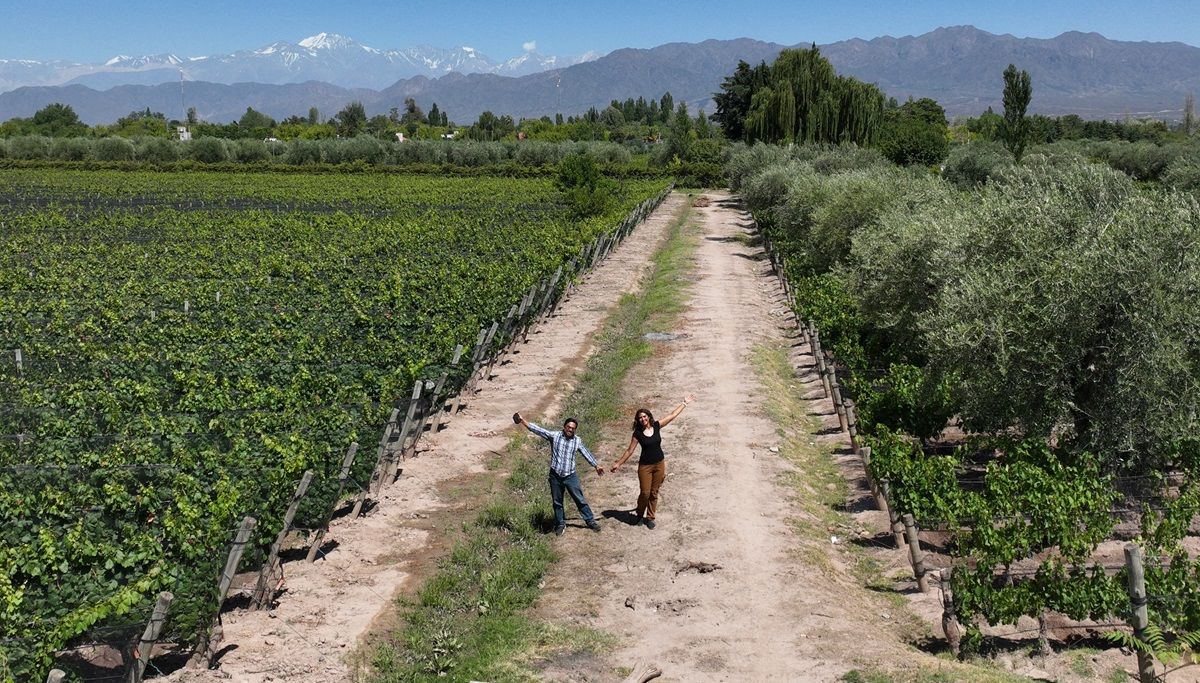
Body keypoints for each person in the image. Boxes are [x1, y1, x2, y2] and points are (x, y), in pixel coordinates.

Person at [609, 394, 694, 529]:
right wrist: (618, 463)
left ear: (648, 416)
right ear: (638, 420)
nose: (643, 419)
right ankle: (639, 514)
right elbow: (629, 451)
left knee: (654, 492)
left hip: (659, 464)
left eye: (644, 416)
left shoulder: (656, 426)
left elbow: (672, 415)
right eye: (640, 417)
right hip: (645, 466)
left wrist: (684, 403)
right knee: (645, 493)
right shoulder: (637, 433)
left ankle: (650, 517)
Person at [513, 412, 604, 536]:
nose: (570, 430)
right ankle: (560, 523)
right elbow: (538, 430)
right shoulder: (555, 436)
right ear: (564, 427)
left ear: (575, 430)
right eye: (568, 427)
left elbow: (585, 452)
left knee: (580, 499)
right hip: (555, 476)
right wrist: (523, 421)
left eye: (573, 429)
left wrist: (596, 465)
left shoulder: (577, 441)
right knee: (557, 502)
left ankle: (590, 520)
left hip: (571, 476)